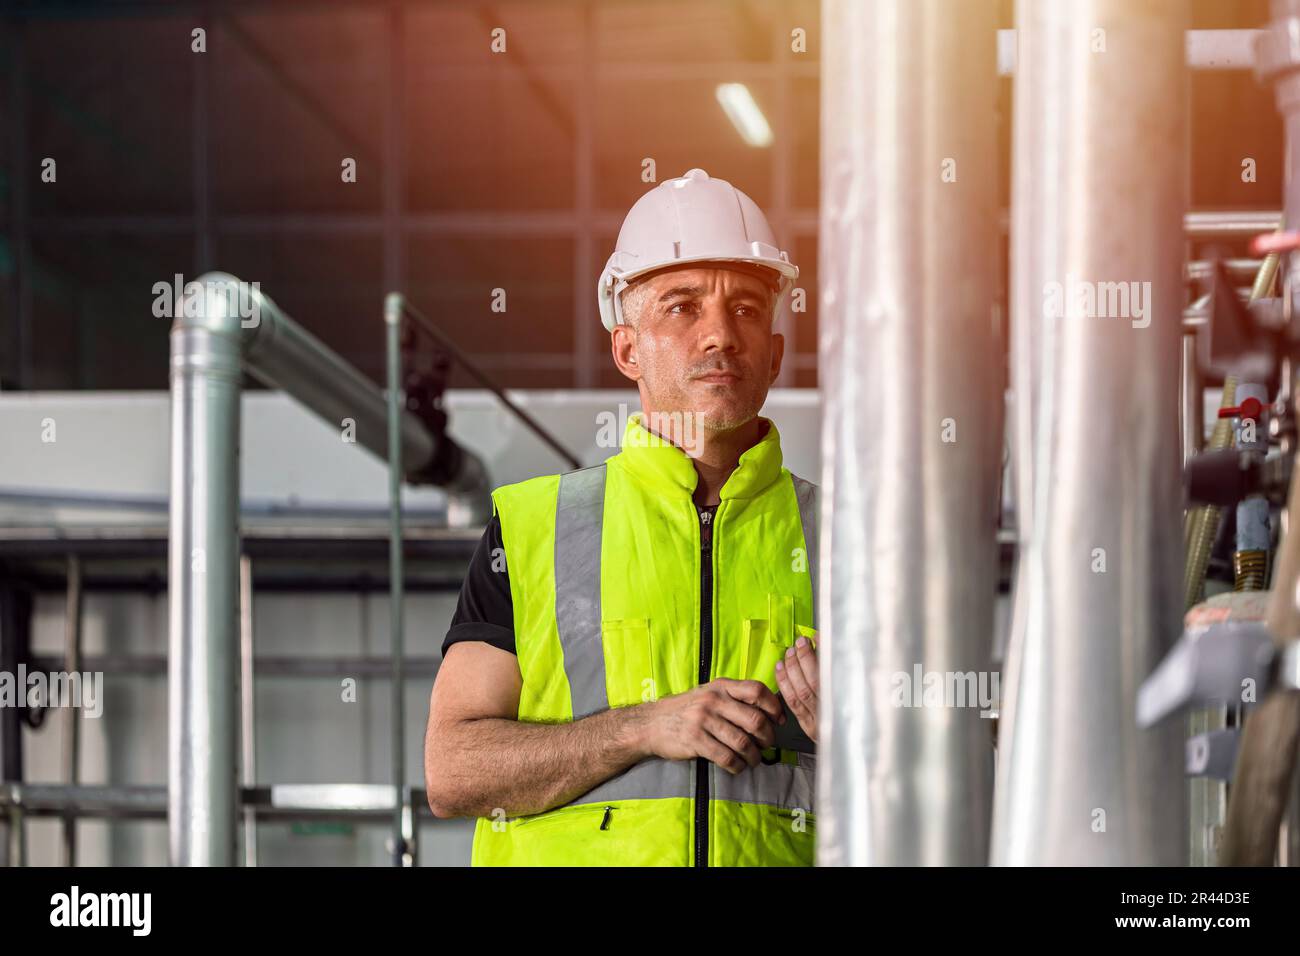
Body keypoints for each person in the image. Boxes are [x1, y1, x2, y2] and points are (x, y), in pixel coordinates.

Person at [423, 168, 820, 866]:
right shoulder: (534, 528)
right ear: (628, 348)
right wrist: (641, 728)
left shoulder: (852, 543)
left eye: (747, 309)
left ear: (775, 355)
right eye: (682, 307)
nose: (720, 335)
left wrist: (867, 742)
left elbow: (953, 778)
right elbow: (453, 772)